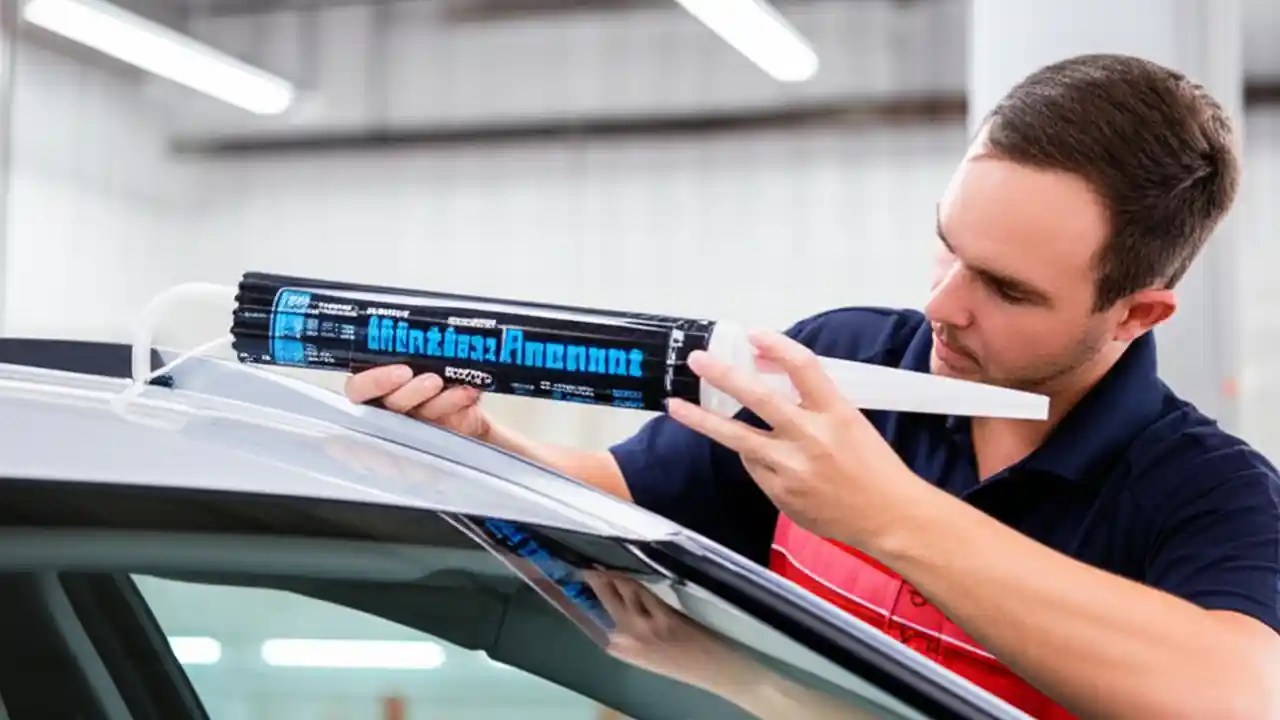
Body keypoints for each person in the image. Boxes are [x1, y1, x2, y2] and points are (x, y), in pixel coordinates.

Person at [346, 53, 1280, 719]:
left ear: (1134, 315)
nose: (943, 305)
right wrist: (483, 447)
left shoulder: (1208, 494)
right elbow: (619, 502)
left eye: (1007, 289)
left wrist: (887, 516)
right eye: (949, 246)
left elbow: (1237, 695)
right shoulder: (845, 365)